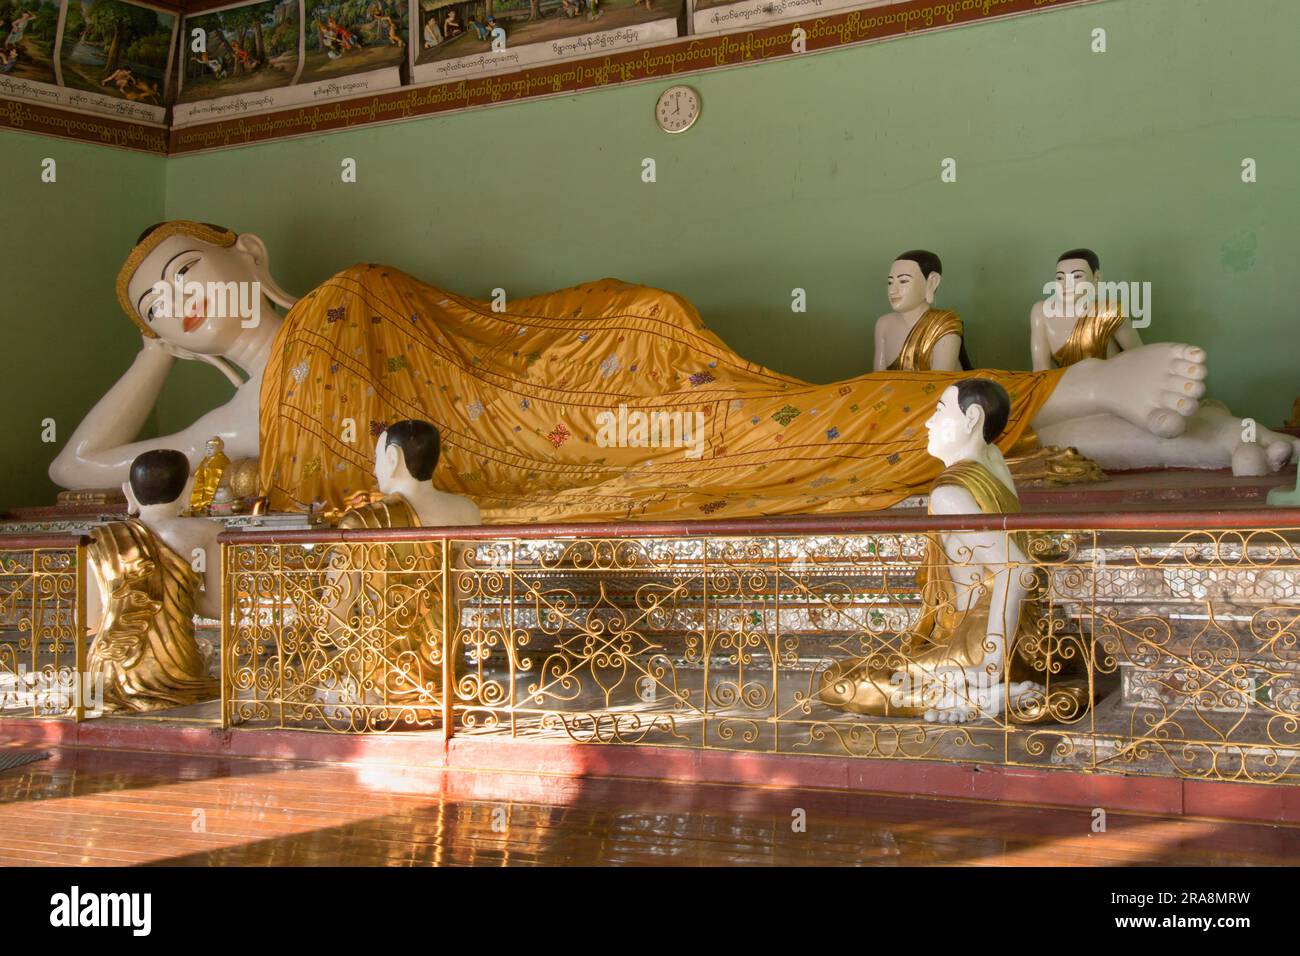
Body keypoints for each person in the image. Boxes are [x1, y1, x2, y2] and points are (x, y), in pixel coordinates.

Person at [52, 221, 1214, 523]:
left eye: (189, 274)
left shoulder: (347, 296)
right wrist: (153, 353)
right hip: (538, 473)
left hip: (569, 389)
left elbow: (477, 344)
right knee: (783, 437)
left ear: (246, 256)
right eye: (161, 310)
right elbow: (82, 465)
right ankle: (1119, 411)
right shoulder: (246, 412)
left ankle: (1090, 390)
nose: (184, 302)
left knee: (771, 417)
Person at [819, 379, 1088, 723]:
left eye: (939, 411)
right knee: (887, 667)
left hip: (978, 645)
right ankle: (986, 691)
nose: (929, 422)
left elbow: (1017, 569)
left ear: (972, 417)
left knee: (840, 681)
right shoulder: (993, 461)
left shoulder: (950, 493)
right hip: (1017, 641)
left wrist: (990, 663)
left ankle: (970, 696)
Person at [86, 449, 220, 713]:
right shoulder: (208, 532)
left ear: (128, 492)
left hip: (107, 676)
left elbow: (90, 622)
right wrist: (175, 595)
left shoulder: (100, 538)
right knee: (205, 655)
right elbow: (217, 607)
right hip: (175, 668)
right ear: (190, 489)